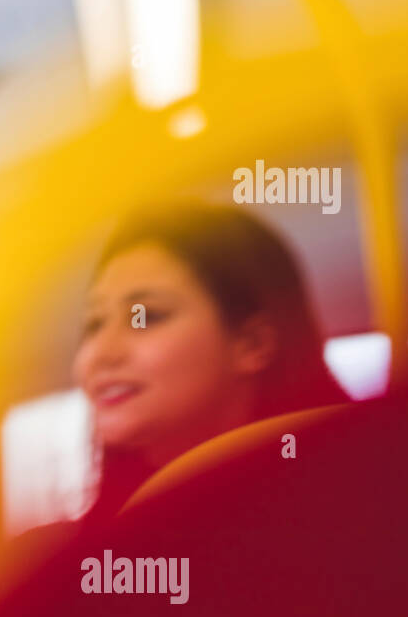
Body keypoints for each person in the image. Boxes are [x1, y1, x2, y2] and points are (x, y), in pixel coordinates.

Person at [68, 202, 349, 524]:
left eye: (147, 317)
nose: (101, 353)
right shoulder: (80, 553)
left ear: (253, 344)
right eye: (94, 323)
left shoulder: (358, 514)